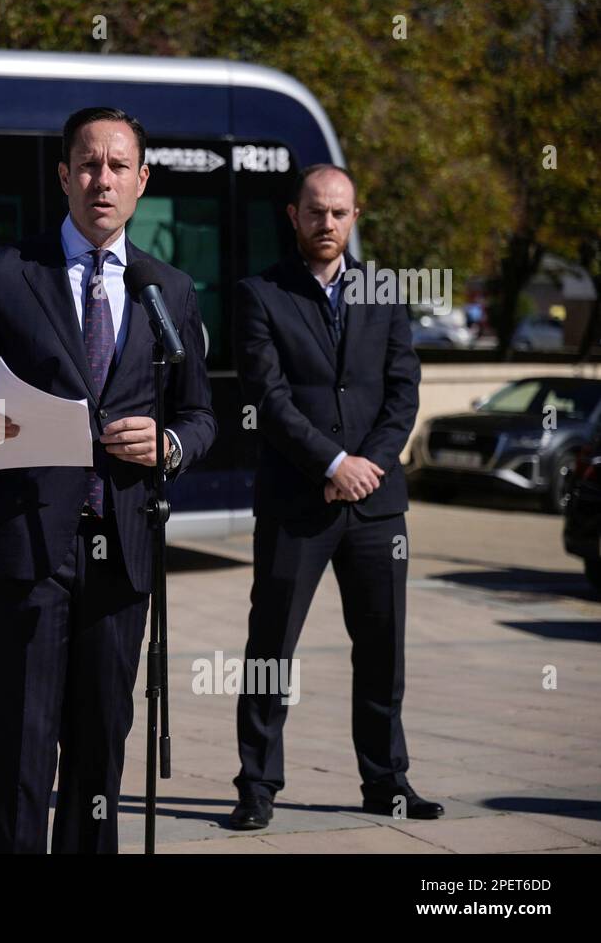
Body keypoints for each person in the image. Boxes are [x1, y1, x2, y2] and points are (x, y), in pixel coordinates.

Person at [0, 106, 216, 853]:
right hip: (24, 550)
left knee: (99, 755)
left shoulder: (169, 290)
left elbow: (201, 416)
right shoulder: (4, 273)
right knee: (21, 751)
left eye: (120, 166)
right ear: (63, 175)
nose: (103, 179)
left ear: (143, 181)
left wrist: (170, 444)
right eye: (88, 164)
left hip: (121, 554)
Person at [228, 163, 441, 830]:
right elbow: (269, 396)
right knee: (272, 650)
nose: (328, 224)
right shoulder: (260, 293)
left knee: (383, 651)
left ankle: (387, 782)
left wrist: (367, 466)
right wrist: (331, 460)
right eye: (316, 212)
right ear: (293, 215)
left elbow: (404, 388)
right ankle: (257, 786)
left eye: (340, 213)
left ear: (356, 216)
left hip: (376, 505)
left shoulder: (385, 290)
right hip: (297, 502)